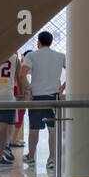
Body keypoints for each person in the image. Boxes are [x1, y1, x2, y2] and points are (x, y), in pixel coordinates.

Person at [21, 32, 66, 170]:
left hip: (37, 96)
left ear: (38, 42)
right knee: (52, 129)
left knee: (34, 128)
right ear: (51, 42)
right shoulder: (60, 56)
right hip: (54, 97)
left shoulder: (32, 55)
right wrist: (62, 87)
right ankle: (51, 159)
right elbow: (74, 71)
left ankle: (31, 157)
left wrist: (29, 88)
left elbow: (22, 73)